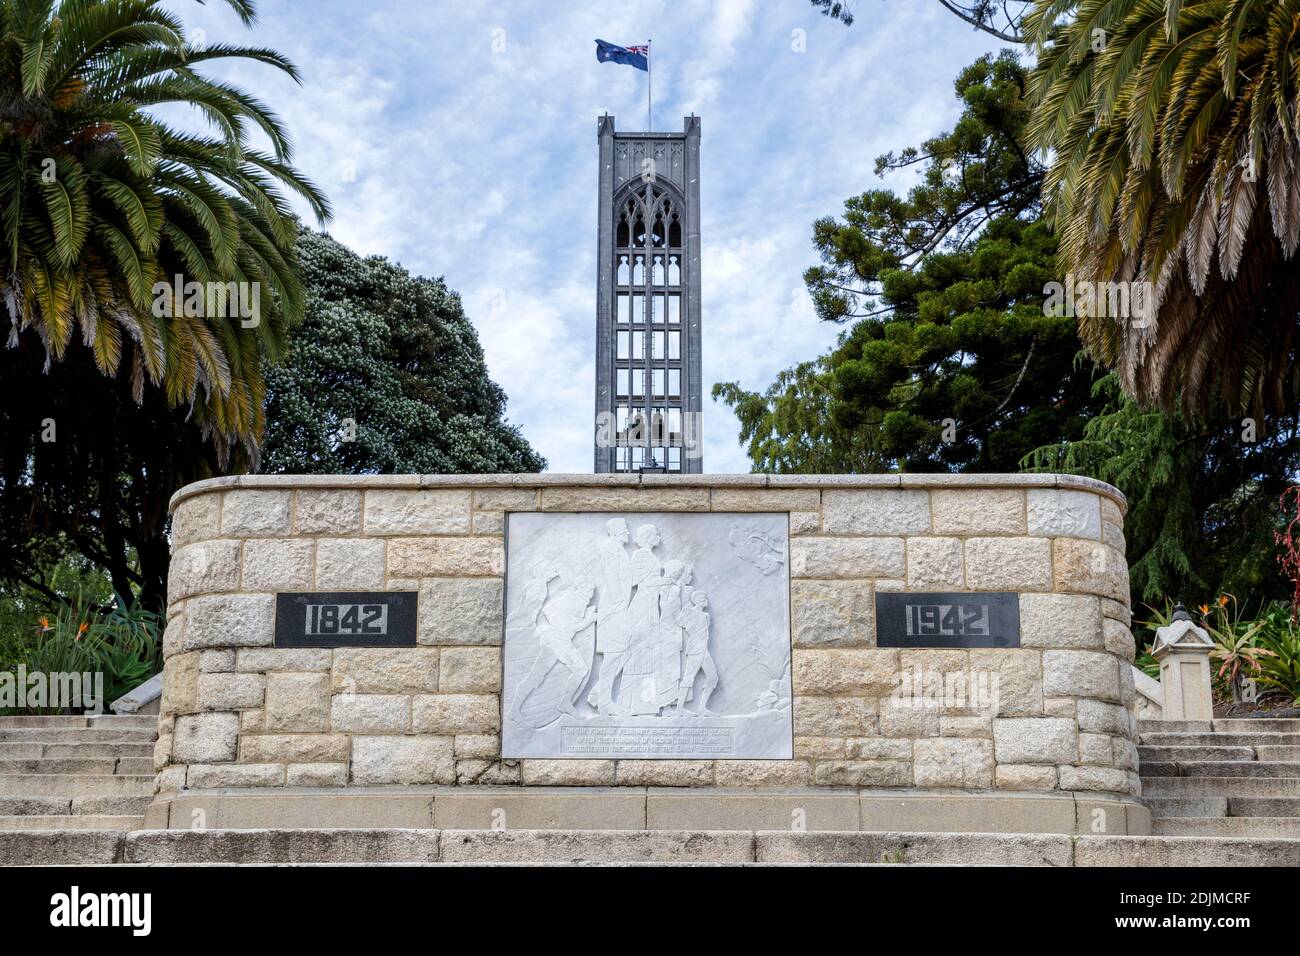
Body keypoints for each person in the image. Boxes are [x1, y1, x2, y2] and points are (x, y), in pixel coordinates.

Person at [509, 580, 597, 721]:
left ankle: (564, 703)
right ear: (580, 588)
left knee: (538, 675)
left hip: (558, 640)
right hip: (557, 640)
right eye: (588, 591)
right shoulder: (573, 600)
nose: (590, 595)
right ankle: (563, 703)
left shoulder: (574, 600)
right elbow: (568, 626)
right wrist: (589, 620)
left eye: (592, 593)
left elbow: (551, 612)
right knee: (577, 670)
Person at [588, 519, 635, 713]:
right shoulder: (612, 549)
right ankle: (605, 702)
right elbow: (611, 576)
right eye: (624, 529)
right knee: (614, 653)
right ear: (615, 532)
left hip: (619, 606)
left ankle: (598, 694)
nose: (628, 533)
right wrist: (618, 603)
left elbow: (626, 578)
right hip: (614, 607)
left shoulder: (619, 550)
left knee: (622, 652)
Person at [675, 591, 718, 715]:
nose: (706, 600)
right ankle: (679, 709)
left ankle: (702, 708)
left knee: (713, 677)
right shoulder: (688, 611)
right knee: (689, 677)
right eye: (703, 597)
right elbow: (680, 622)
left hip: (704, 649)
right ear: (697, 599)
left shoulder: (706, 616)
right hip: (695, 649)